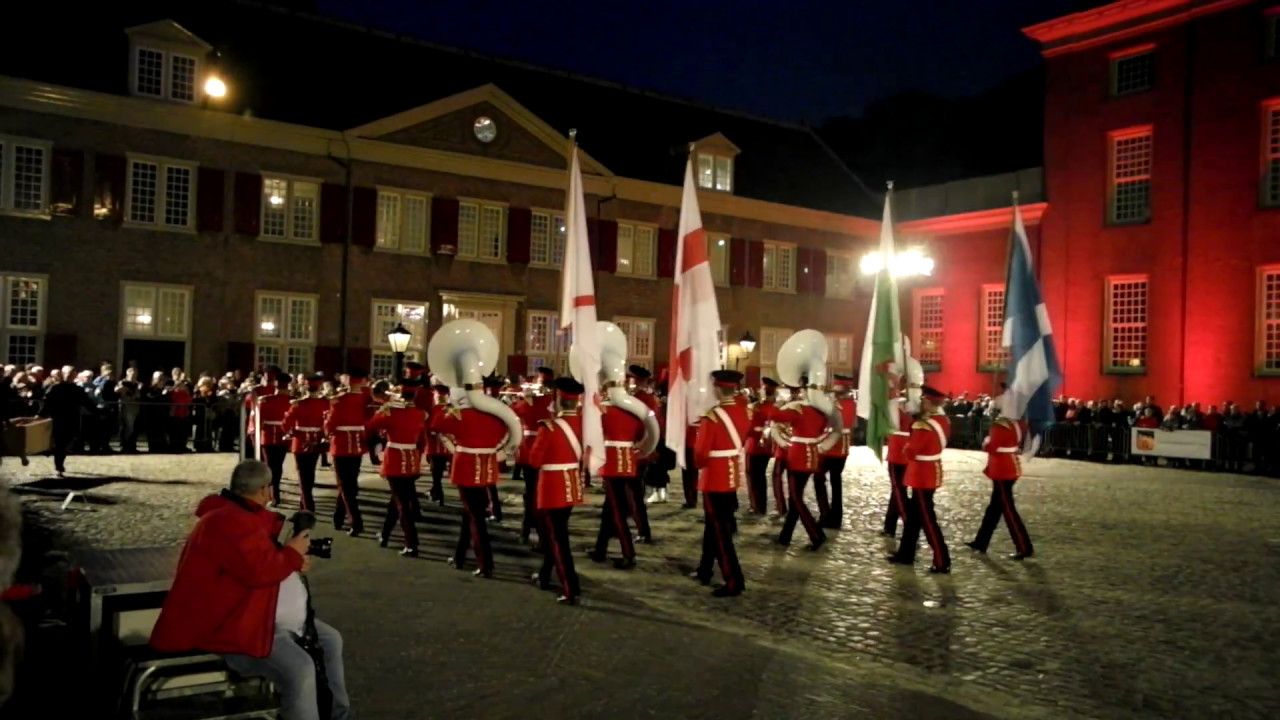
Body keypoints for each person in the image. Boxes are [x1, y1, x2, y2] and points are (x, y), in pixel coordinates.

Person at [150, 460, 352, 720]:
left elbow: (256, 562)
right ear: (265, 490)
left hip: (264, 613)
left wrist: (290, 559)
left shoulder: (241, 516)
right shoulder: (229, 521)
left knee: (330, 641)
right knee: (299, 669)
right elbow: (259, 571)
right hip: (239, 624)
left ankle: (339, 715)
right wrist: (291, 555)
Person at [430, 386, 509, 577]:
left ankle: (485, 564)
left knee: (475, 518)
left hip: (466, 468)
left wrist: (447, 404)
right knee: (470, 514)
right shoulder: (493, 415)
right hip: (485, 469)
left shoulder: (460, 416)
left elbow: (436, 425)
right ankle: (459, 556)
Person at [691, 370, 751, 597]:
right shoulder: (745, 411)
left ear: (717, 389)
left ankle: (734, 579)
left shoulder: (713, 416)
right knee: (713, 526)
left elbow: (700, 455)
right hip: (731, 474)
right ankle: (705, 568)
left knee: (720, 532)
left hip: (714, 478)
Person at [529, 377, 586, 604]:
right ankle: (544, 576)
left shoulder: (549, 427)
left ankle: (570, 588)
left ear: (559, 401)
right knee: (557, 536)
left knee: (558, 540)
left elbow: (534, 461)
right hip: (571, 485)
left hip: (552, 487)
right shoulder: (584, 424)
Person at [888, 386, 953, 573]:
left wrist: (908, 443)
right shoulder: (942, 420)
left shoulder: (923, 425)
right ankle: (905, 553)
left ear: (929, 403)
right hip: (930, 470)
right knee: (914, 519)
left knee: (927, 518)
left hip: (921, 474)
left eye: (924, 400)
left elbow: (910, 451)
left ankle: (942, 559)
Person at [364, 378, 427, 557]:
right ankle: (384, 534)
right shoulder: (419, 413)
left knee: (402, 504)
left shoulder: (391, 411)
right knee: (397, 499)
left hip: (395, 459)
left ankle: (412, 543)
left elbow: (371, 426)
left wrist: (386, 407)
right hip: (411, 460)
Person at [967, 398, 1034, 560]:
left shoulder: (1001, 424)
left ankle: (1024, 546)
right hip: (1009, 465)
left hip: (1002, 468)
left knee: (1008, 510)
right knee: (994, 509)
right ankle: (981, 541)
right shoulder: (1018, 422)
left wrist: (986, 442)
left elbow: (992, 446)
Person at [590, 379, 645, 569]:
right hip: (628, 462)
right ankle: (600, 549)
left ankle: (628, 554)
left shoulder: (604, 411)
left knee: (617, 512)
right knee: (610, 510)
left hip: (612, 464)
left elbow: (593, 433)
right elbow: (641, 434)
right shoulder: (633, 410)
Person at [773, 381, 830, 551]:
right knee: (795, 497)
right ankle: (785, 536)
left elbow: (777, 417)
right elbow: (826, 431)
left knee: (796, 497)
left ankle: (816, 534)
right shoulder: (822, 411)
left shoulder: (798, 409)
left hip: (797, 456)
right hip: (811, 455)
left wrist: (775, 404)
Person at [512, 368, 554, 546]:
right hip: (548, 452)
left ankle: (527, 529)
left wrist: (524, 398)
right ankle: (535, 530)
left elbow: (512, 412)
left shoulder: (528, 403)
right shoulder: (553, 402)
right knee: (540, 493)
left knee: (530, 494)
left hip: (529, 450)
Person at [325, 369, 369, 536]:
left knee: (345, 486)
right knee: (349, 483)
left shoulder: (339, 399)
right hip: (357, 444)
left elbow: (331, 424)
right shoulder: (366, 397)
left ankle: (356, 522)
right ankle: (338, 517)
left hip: (342, 444)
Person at [283, 375, 328, 512]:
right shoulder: (325, 403)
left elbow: (286, 424)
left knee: (302, 474)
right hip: (316, 440)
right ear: (319, 387)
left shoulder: (298, 404)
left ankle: (307, 504)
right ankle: (305, 502)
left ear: (305, 387)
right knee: (311, 472)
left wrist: (291, 433)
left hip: (300, 440)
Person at [38, 371, 96, 477]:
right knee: (61, 443)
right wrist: (40, 414)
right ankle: (58, 465)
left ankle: (57, 459)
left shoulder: (76, 389)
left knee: (66, 442)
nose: (69, 376)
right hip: (58, 418)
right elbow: (47, 402)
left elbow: (86, 402)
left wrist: (96, 411)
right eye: (68, 374)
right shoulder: (55, 388)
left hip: (71, 419)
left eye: (71, 375)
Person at [819, 374, 856, 529]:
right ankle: (833, 515)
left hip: (834, 447)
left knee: (823, 479)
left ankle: (828, 514)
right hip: (837, 447)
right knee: (834, 481)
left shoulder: (840, 404)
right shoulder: (848, 403)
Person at [745, 378, 779, 515]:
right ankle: (761, 504)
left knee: (753, 476)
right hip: (768, 446)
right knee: (760, 475)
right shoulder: (777, 406)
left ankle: (756, 506)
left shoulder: (757, 407)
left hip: (754, 445)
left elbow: (749, 427)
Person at [882, 393, 914, 537]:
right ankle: (890, 526)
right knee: (896, 492)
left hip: (897, 456)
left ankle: (910, 525)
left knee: (899, 493)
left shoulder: (901, 415)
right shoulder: (913, 416)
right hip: (903, 456)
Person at [424, 383, 453, 506]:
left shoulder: (432, 410)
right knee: (439, 471)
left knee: (436, 473)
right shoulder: (452, 409)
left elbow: (426, 426)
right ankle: (436, 491)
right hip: (448, 446)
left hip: (435, 445)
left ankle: (437, 493)